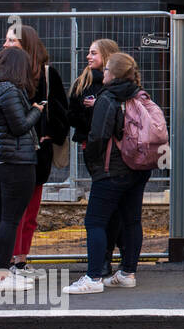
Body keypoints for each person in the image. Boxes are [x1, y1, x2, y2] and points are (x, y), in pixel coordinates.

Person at [65, 53, 154, 295]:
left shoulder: (108, 98)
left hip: (112, 170)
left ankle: (93, 277)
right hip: (139, 168)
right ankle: (127, 273)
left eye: (106, 70)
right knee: (132, 220)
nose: (102, 73)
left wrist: (95, 164)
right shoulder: (140, 96)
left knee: (95, 221)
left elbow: (98, 136)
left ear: (113, 74)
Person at [0, 47, 44, 292]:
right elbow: (19, 126)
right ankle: (1, 277)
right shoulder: (9, 91)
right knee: (10, 220)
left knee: (0, 219)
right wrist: (37, 110)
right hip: (14, 162)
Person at [4, 25, 69, 274]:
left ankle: (20, 259)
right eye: (6, 40)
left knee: (30, 212)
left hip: (39, 151)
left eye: (12, 40)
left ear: (26, 44)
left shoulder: (47, 74)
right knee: (14, 211)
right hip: (12, 151)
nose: (6, 45)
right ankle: (8, 261)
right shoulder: (5, 73)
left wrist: (48, 132)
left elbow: (61, 112)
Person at [69, 38, 121, 276]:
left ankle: (109, 259)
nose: (88, 57)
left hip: (116, 152)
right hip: (91, 150)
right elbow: (72, 116)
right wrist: (88, 112)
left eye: (93, 53)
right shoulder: (82, 83)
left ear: (107, 56)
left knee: (110, 209)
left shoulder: (117, 85)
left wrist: (99, 107)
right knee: (103, 208)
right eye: (88, 53)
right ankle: (104, 261)